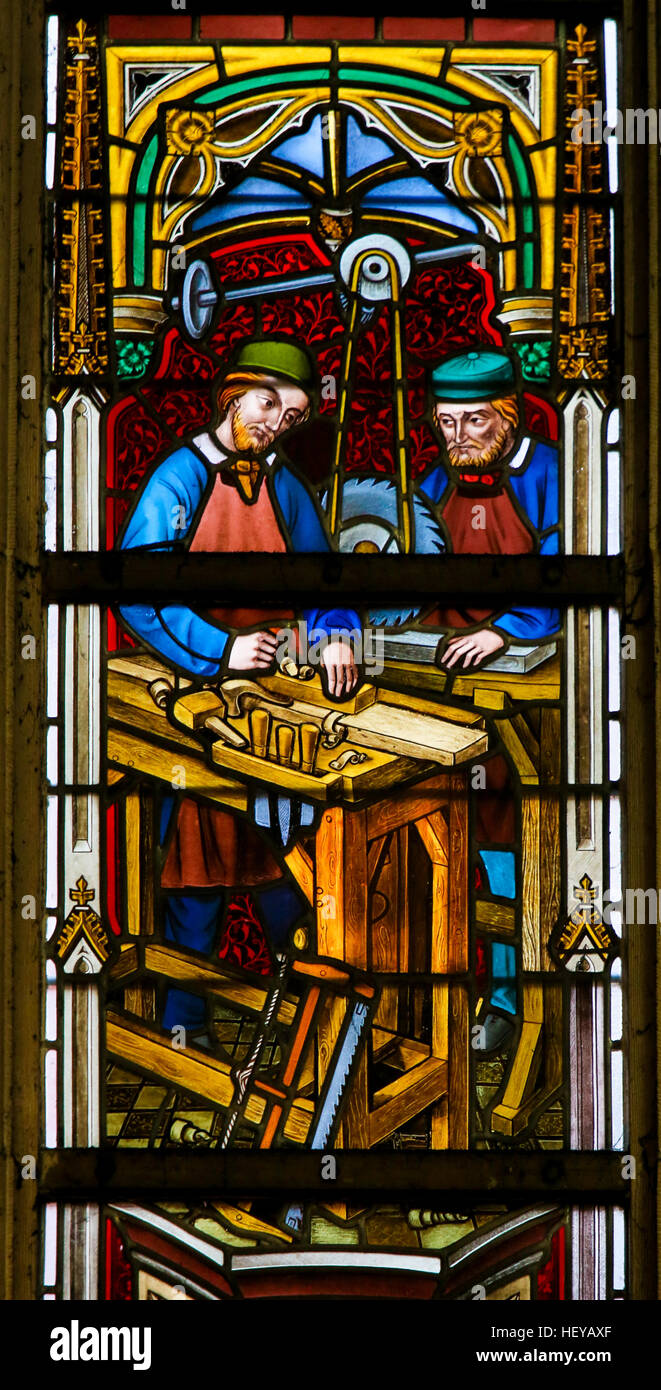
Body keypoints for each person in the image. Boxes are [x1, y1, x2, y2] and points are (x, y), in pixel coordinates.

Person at [117, 337, 360, 1043]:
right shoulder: (178, 478)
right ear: (233, 396)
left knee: (289, 873)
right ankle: (183, 1030)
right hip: (203, 699)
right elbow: (138, 594)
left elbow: (325, 578)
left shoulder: (284, 483)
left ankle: (304, 1031)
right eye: (268, 405)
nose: (277, 423)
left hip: (278, 699)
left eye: (291, 415)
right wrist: (219, 650)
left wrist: (336, 632)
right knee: (195, 873)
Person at [418, 348, 560, 1053]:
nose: (458, 438)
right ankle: (423, 1004)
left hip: (519, 701)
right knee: (434, 845)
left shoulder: (549, 474)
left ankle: (505, 1001)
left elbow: (568, 574)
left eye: (473, 420)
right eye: (445, 423)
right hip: (433, 687)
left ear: (508, 414)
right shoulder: (433, 480)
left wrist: (504, 630)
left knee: (502, 854)